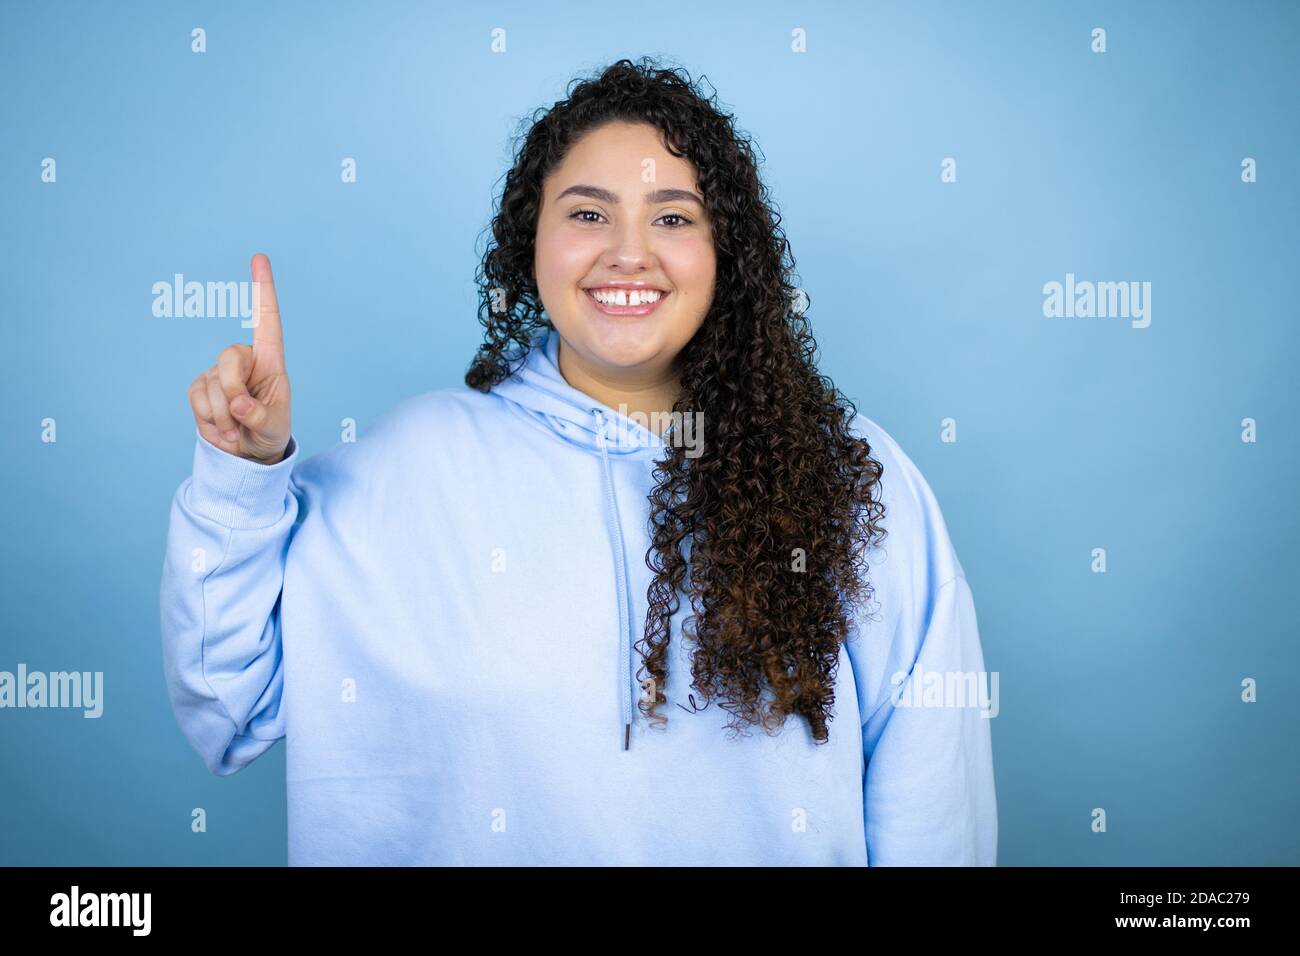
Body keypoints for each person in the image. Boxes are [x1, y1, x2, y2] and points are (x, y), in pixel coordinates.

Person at [160, 57, 997, 866]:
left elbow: (933, 804)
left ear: (726, 253)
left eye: (673, 216)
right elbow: (227, 707)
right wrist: (244, 470)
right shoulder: (408, 470)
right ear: (533, 243)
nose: (628, 253)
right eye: (588, 213)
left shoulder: (846, 477)